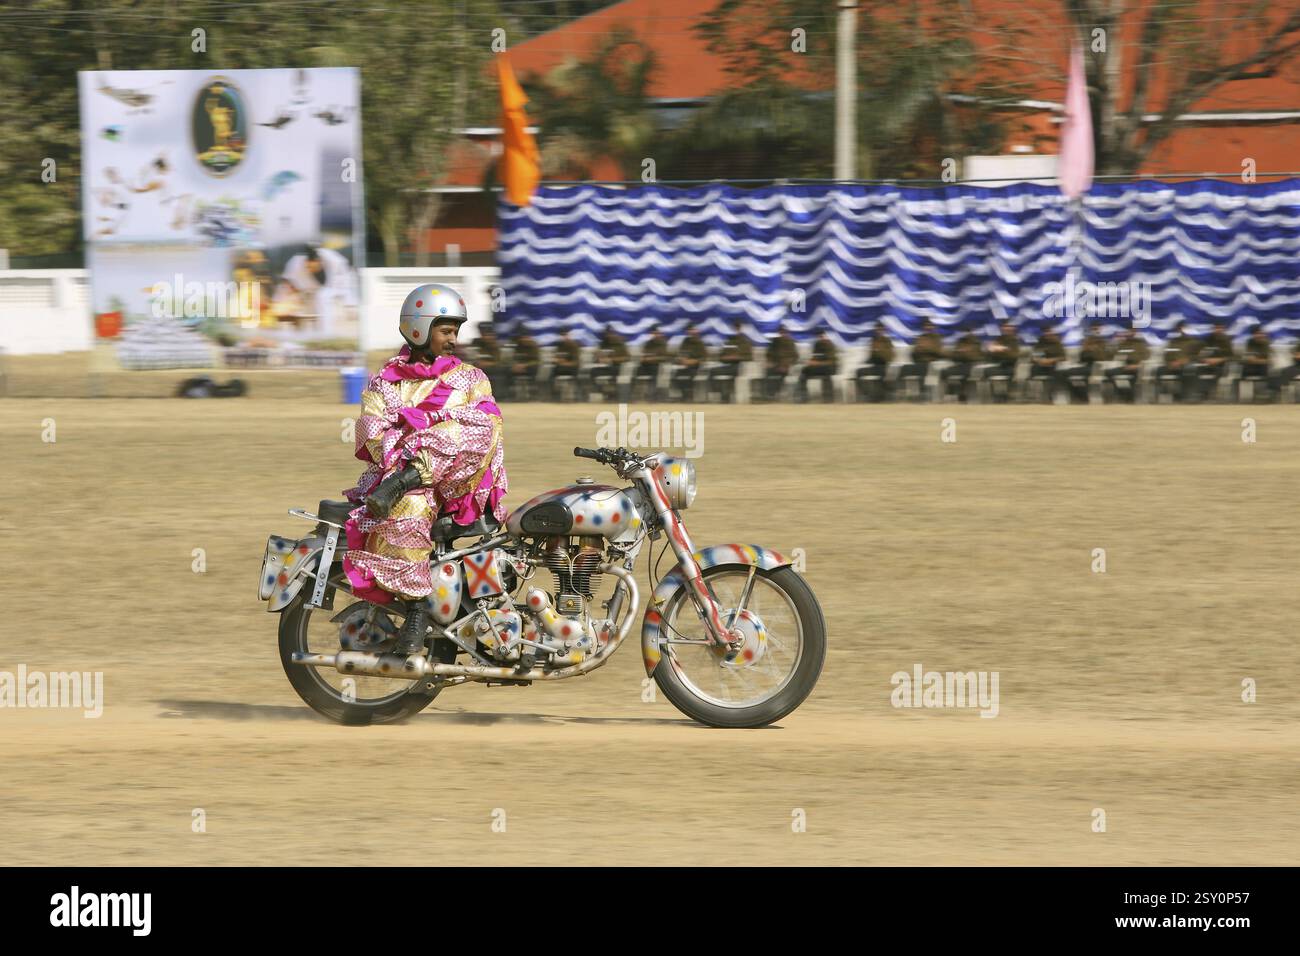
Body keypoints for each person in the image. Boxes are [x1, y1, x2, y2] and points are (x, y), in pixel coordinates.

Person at [340, 283, 509, 656]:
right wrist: (424, 434)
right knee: (413, 502)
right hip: (400, 489)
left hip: (459, 482)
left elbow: (485, 424)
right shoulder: (383, 383)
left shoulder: (471, 378)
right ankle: (416, 611)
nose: (453, 340)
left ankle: (410, 478)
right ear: (419, 329)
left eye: (456, 332)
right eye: (446, 331)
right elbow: (372, 436)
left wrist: (424, 426)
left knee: (485, 424)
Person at [278, 245, 356, 338]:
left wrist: (349, 303)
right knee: (307, 309)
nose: (310, 270)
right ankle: (309, 335)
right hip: (310, 290)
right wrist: (286, 298)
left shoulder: (334, 261)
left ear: (319, 262)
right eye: (308, 267)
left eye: (313, 267)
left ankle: (325, 335)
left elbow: (346, 281)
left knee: (323, 296)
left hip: (338, 283)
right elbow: (286, 281)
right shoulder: (296, 263)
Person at [1062, 323, 1111, 404]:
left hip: (1097, 367)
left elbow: (1103, 356)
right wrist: (1085, 349)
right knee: (1065, 373)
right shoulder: (1087, 341)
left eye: (1096, 329)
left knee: (1080, 375)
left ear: (1100, 329)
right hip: (1087, 366)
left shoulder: (1103, 342)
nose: (1095, 331)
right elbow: (1082, 358)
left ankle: (1083, 397)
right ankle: (1080, 396)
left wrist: (1092, 350)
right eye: (1093, 329)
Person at [1155, 323, 1201, 401]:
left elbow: (1197, 356)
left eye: (1184, 328)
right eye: (1180, 329)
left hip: (1185, 365)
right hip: (1171, 365)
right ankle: (1158, 395)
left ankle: (1184, 396)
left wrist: (1183, 361)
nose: (1182, 331)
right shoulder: (1173, 342)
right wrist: (1170, 363)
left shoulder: (1193, 342)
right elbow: (1166, 355)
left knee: (1188, 370)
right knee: (1159, 370)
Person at [899, 320, 943, 401]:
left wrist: (925, 349)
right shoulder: (920, 338)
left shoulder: (937, 338)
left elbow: (939, 352)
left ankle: (923, 394)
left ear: (933, 327)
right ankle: (901, 392)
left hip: (930, 362)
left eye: (930, 325)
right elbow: (913, 352)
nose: (928, 327)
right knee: (904, 368)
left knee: (923, 370)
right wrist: (917, 351)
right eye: (926, 325)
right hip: (918, 362)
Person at [708, 324, 752, 403]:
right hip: (728, 365)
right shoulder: (729, 341)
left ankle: (726, 396)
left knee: (732, 373)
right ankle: (719, 393)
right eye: (735, 328)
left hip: (739, 366)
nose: (737, 330)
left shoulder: (745, 342)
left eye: (738, 328)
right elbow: (720, 356)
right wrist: (724, 358)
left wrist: (737, 358)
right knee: (712, 371)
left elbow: (749, 357)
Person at [1104, 328, 1149, 402]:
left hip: (1137, 367)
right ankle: (1121, 392)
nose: (1130, 333)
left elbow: (1146, 356)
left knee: (1132, 378)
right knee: (1107, 372)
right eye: (1128, 331)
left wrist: (1137, 365)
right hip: (1125, 367)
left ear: (1135, 332)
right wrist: (1115, 342)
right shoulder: (1124, 343)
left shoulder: (1140, 343)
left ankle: (1129, 396)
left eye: (1132, 331)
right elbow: (1112, 355)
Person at [1192, 321, 1234, 401]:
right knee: (1198, 370)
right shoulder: (1208, 339)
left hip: (1221, 365)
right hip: (1207, 363)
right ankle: (1201, 393)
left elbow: (1232, 357)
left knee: (1216, 371)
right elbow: (1199, 353)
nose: (1218, 330)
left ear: (1223, 329)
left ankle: (1210, 393)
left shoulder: (1227, 341)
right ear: (1213, 329)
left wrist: (1219, 359)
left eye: (1220, 328)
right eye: (1216, 328)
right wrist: (1205, 359)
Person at [982, 321, 1021, 403]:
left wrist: (1003, 349)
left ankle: (1006, 395)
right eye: (1004, 326)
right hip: (999, 365)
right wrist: (991, 350)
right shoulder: (999, 339)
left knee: (988, 372)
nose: (1007, 328)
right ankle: (996, 395)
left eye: (1009, 326)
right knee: (985, 371)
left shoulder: (1015, 340)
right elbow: (990, 355)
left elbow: (1014, 356)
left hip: (1010, 367)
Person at [797, 329, 839, 403]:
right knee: (804, 370)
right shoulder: (817, 344)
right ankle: (803, 396)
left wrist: (817, 363)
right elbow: (815, 356)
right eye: (818, 336)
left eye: (821, 336)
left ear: (824, 335)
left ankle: (828, 398)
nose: (820, 338)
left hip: (829, 367)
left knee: (827, 372)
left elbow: (831, 361)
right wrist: (811, 361)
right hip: (818, 367)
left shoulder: (829, 344)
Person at [854, 325, 894, 402]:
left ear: (883, 331)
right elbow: (871, 356)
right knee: (859, 371)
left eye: (880, 330)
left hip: (884, 366)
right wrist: (866, 361)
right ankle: (865, 393)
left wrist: (879, 352)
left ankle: (880, 397)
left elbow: (890, 356)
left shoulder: (887, 341)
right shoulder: (873, 341)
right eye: (877, 329)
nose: (878, 331)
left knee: (881, 376)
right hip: (874, 366)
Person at [941, 330, 983, 402]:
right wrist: (958, 353)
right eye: (964, 332)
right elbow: (954, 357)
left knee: (965, 373)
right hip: (960, 364)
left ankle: (962, 394)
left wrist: (964, 353)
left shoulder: (976, 343)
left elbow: (976, 356)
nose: (966, 334)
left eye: (968, 332)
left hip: (973, 365)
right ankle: (950, 393)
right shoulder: (960, 342)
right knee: (944, 372)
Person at [670, 325, 709, 401]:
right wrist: (682, 360)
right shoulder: (685, 341)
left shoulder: (700, 343)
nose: (691, 332)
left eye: (693, 330)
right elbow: (681, 353)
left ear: (697, 331)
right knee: (676, 374)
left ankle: (689, 395)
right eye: (690, 330)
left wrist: (694, 361)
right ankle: (683, 394)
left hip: (696, 366)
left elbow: (704, 357)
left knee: (689, 374)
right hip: (684, 364)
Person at [1027, 328, 1066, 402]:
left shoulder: (1057, 344)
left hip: (1053, 365)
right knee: (1033, 369)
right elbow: (1033, 357)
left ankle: (1051, 395)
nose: (1047, 335)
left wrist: (1051, 360)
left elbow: (1063, 357)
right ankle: (1033, 395)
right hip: (1040, 365)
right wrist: (1039, 360)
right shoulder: (1040, 344)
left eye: (1049, 333)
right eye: (1046, 333)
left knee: (1058, 373)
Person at [590, 328, 629, 401]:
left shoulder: (620, 344)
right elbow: (595, 359)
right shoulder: (603, 344)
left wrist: (612, 360)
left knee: (614, 372)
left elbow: (627, 357)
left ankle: (613, 394)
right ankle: (602, 392)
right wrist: (598, 358)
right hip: (604, 367)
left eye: (610, 334)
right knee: (593, 371)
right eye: (607, 334)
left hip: (617, 367)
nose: (609, 336)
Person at [763, 324, 799, 401]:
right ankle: (769, 394)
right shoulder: (775, 341)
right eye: (781, 332)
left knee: (779, 375)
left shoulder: (790, 342)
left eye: (784, 332)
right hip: (775, 364)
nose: (783, 334)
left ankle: (775, 394)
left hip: (785, 366)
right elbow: (769, 354)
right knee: (768, 373)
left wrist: (786, 365)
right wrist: (769, 361)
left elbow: (795, 357)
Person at [548, 329, 584, 401]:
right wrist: (556, 360)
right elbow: (555, 358)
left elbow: (576, 361)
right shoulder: (560, 346)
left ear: (569, 335)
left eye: (564, 335)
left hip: (572, 368)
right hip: (561, 367)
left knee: (558, 370)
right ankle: (555, 395)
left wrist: (564, 363)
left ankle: (577, 396)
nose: (563, 337)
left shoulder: (574, 345)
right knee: (551, 375)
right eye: (561, 335)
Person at [634, 329, 669, 401]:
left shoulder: (663, 344)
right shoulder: (648, 343)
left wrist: (653, 358)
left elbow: (664, 357)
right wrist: (644, 358)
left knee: (654, 377)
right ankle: (633, 396)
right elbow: (644, 353)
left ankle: (652, 397)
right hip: (645, 364)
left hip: (656, 365)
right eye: (654, 333)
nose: (656, 335)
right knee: (634, 373)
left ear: (661, 334)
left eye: (658, 333)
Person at [1240, 325, 1273, 400]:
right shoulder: (1249, 342)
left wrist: (1256, 360)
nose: (1259, 335)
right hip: (1252, 366)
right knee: (1243, 369)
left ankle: (1264, 395)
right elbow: (1247, 357)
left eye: (1261, 333)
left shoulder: (1267, 343)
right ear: (1253, 334)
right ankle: (1245, 396)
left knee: (1265, 369)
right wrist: (1252, 359)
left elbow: (1269, 360)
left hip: (1263, 367)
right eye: (1257, 333)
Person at [507, 330, 541, 401]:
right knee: (507, 371)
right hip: (519, 367)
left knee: (534, 369)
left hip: (531, 367)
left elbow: (537, 361)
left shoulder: (534, 346)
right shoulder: (518, 346)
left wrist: (525, 365)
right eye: (523, 337)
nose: (525, 339)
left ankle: (533, 395)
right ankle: (510, 395)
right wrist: (516, 365)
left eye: (526, 337)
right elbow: (514, 358)